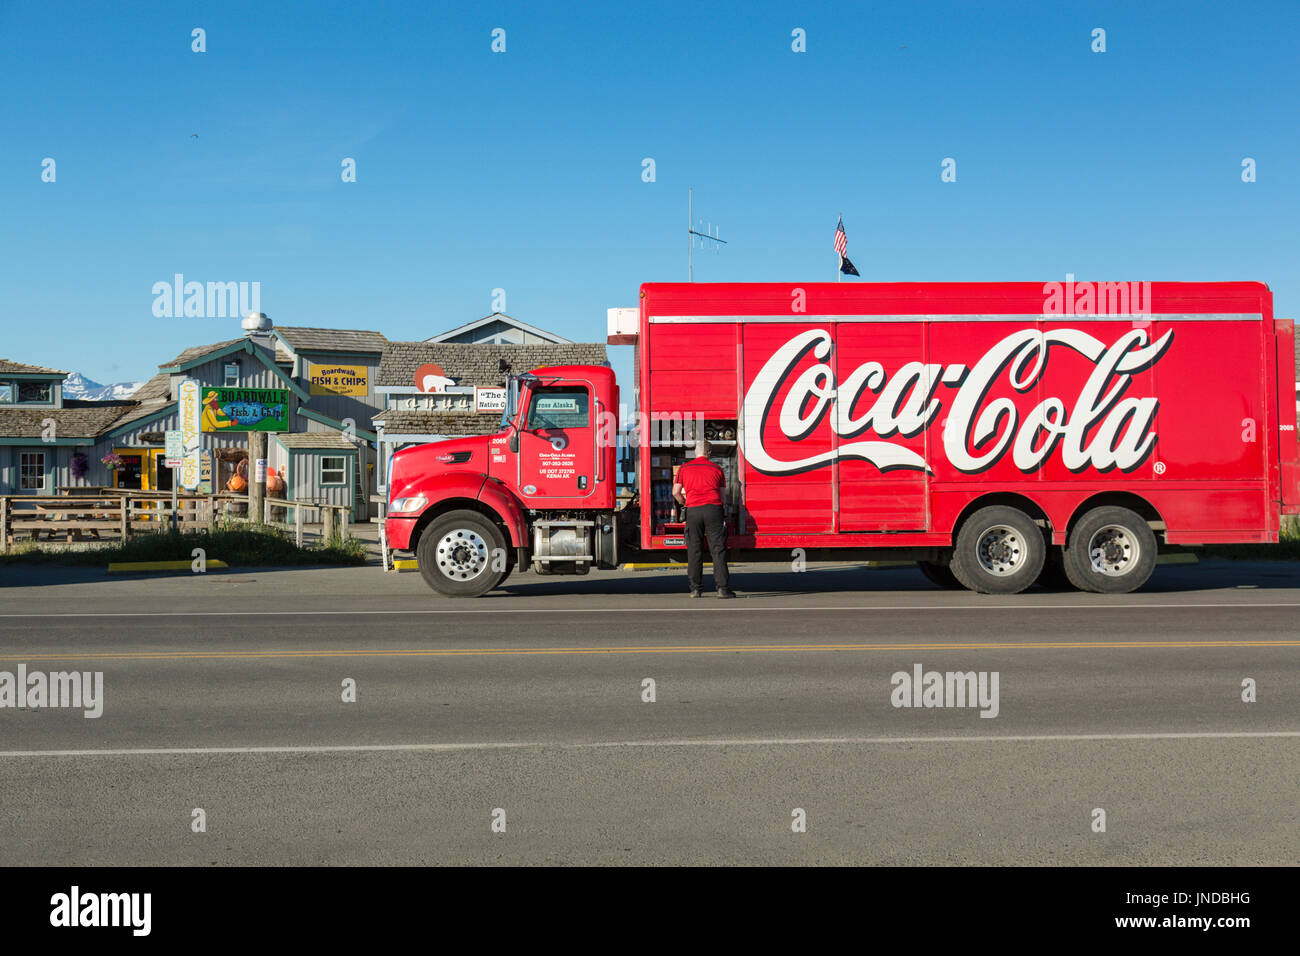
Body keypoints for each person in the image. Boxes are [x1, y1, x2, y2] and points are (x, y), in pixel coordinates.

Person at [672, 439, 735, 599]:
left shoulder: (684, 468)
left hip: (693, 510)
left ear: (695, 452)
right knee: (718, 550)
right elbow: (722, 496)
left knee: (694, 550)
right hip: (713, 509)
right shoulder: (717, 469)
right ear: (709, 453)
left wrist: (684, 503)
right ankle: (722, 589)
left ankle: (695, 589)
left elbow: (675, 492)